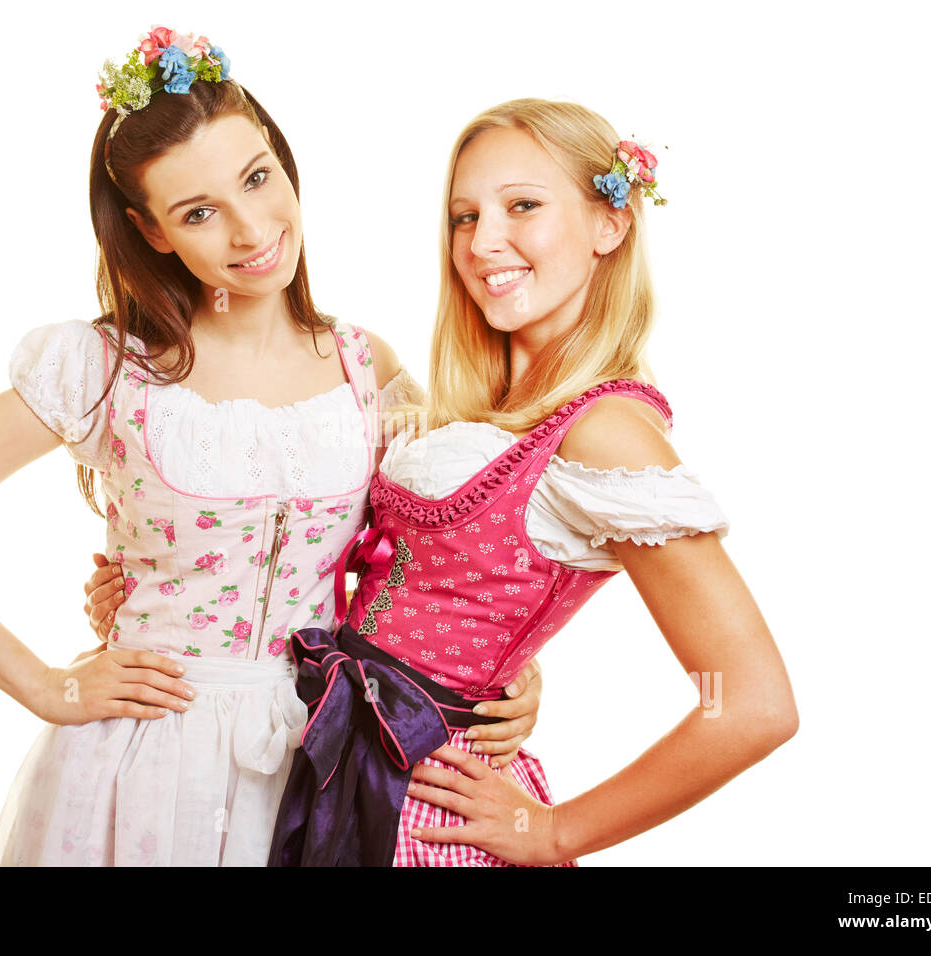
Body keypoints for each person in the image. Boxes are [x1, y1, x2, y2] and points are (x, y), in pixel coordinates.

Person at [0, 25, 540, 867]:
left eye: (257, 178)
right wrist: (43, 684)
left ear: (284, 161)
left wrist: (502, 675)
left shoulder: (367, 365)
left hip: (321, 751)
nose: (250, 233)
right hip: (145, 757)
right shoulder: (104, 367)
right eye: (199, 212)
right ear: (155, 232)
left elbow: (437, 566)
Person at [259, 99, 799, 866]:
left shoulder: (606, 431)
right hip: (342, 771)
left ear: (610, 224)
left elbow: (754, 705)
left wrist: (555, 830)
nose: (484, 243)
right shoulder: (486, 409)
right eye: (463, 216)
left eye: (523, 206)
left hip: (433, 813)